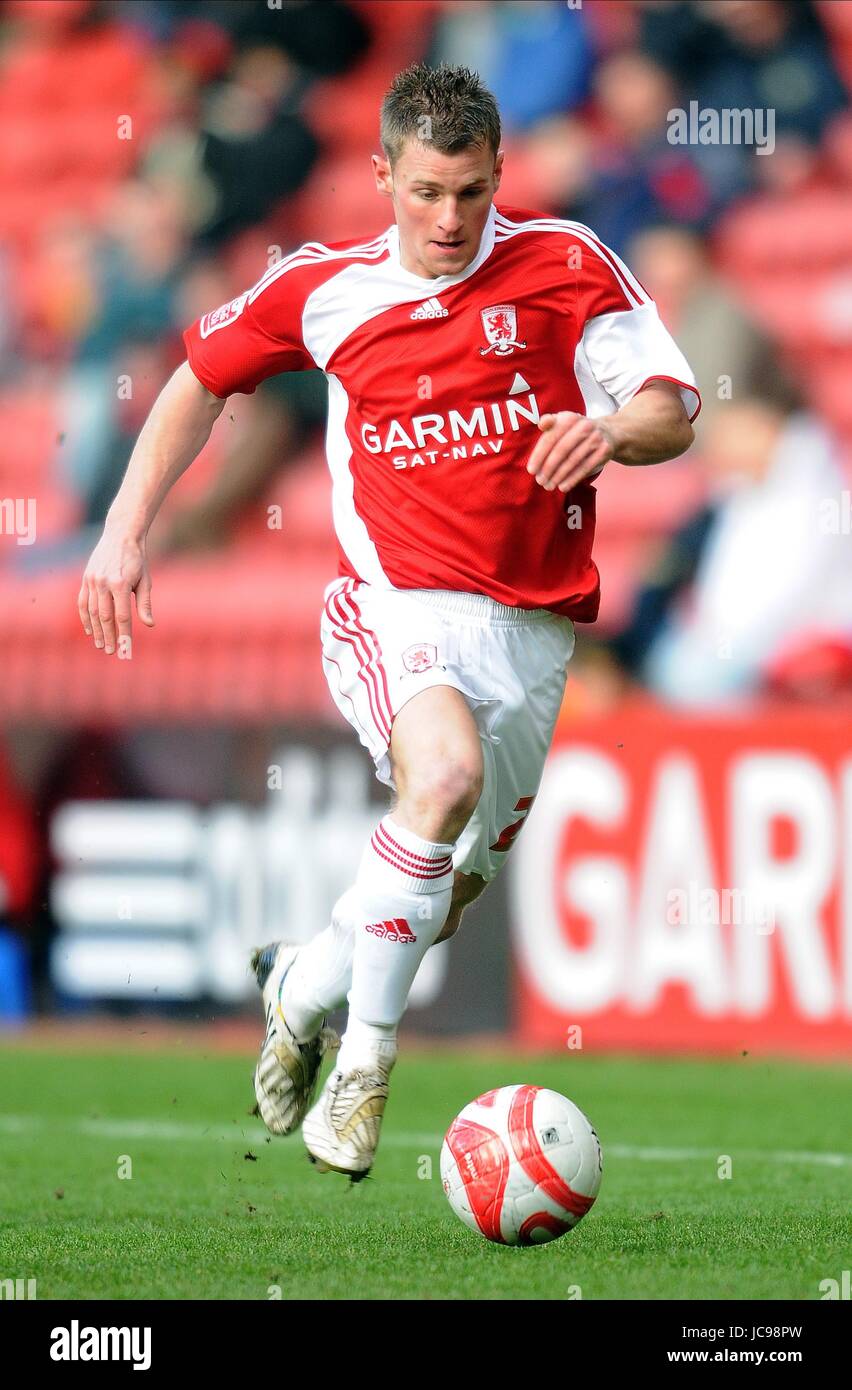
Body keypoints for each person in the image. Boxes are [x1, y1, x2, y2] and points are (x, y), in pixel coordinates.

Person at [77, 63, 700, 1180]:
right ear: (382, 177)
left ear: (500, 175)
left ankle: (301, 985)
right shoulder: (323, 289)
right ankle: (362, 1072)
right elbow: (197, 379)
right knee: (442, 776)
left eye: (470, 192)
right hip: (394, 603)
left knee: (439, 902)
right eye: (424, 192)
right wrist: (126, 532)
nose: (449, 218)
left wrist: (611, 431)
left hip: (536, 631)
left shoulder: (563, 266)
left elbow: (668, 406)